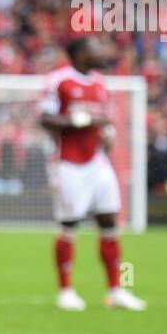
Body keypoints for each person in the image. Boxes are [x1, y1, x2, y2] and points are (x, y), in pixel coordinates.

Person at [38, 38, 147, 311]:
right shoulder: (60, 81)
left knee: (110, 223)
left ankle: (116, 290)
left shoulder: (100, 82)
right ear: (79, 53)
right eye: (95, 47)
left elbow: (105, 119)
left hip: (98, 163)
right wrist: (78, 121)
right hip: (70, 164)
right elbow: (45, 118)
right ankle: (65, 291)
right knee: (69, 225)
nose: (101, 51)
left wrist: (107, 133)